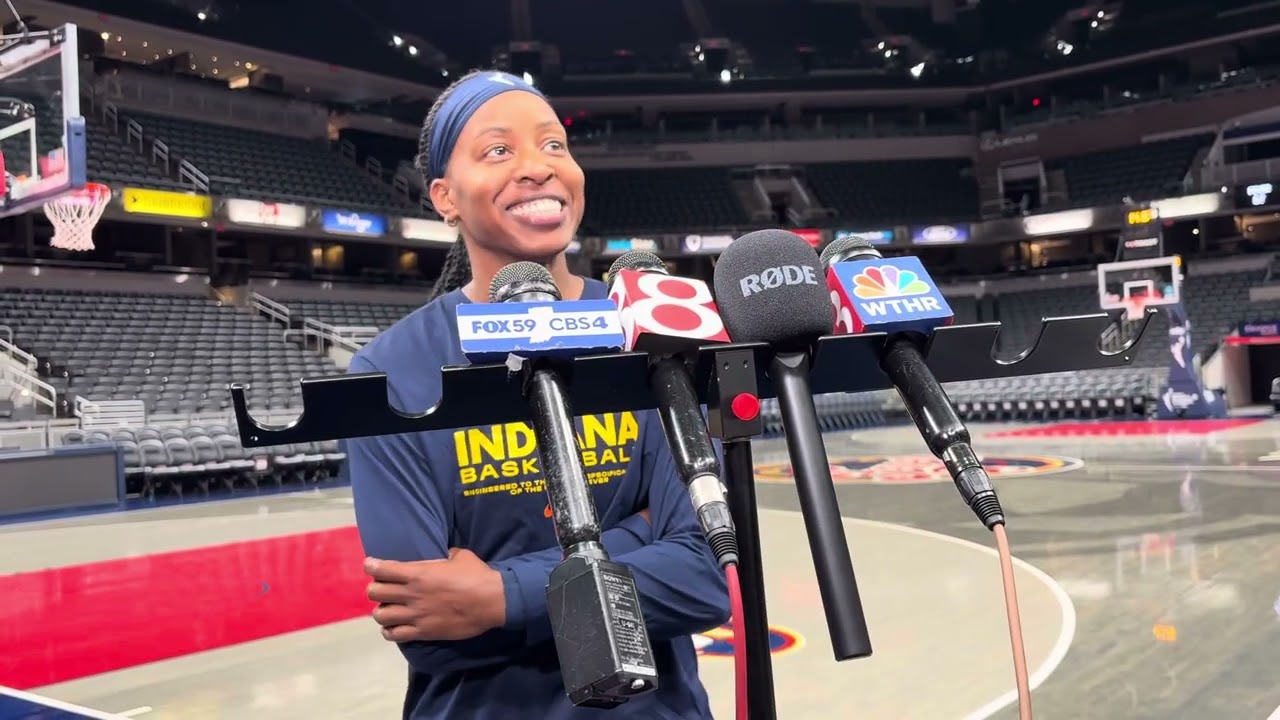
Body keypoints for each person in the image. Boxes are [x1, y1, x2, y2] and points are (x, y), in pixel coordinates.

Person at [341, 69, 730, 720]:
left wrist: (500, 595)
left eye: (554, 145)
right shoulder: (391, 368)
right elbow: (429, 628)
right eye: (498, 150)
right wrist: (637, 536)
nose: (537, 167)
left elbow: (704, 575)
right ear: (444, 196)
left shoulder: (651, 332)